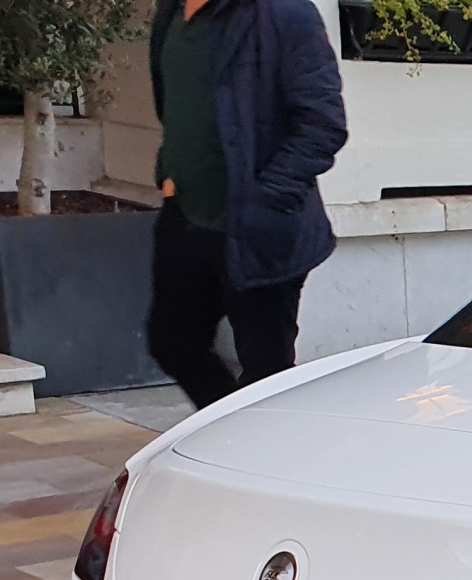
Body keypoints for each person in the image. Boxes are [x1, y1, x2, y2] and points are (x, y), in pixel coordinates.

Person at [146, 0, 348, 409]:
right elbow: (177, 106)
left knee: (265, 374)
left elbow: (323, 125)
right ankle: (233, 431)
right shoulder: (169, 14)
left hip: (261, 229)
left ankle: (265, 456)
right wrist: (168, 172)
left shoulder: (284, 13)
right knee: (172, 342)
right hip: (185, 218)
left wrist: (265, 202)